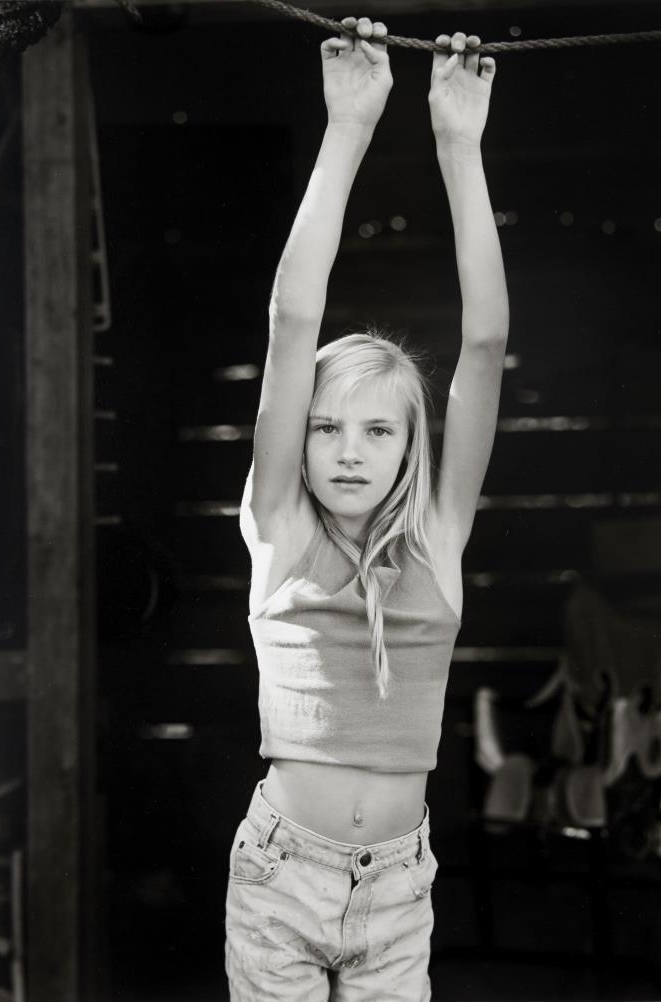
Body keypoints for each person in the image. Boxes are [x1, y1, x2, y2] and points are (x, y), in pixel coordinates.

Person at [225, 15, 509, 1001]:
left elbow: (481, 348)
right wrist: (347, 126)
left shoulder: (436, 541)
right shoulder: (282, 529)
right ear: (295, 437)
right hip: (279, 881)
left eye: (377, 432)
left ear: (410, 448)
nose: (348, 450)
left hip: (395, 896)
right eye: (325, 426)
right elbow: (291, 318)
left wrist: (456, 146)